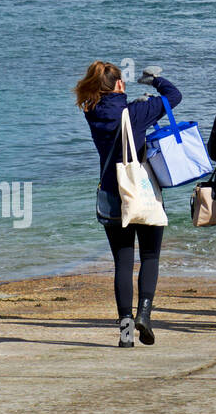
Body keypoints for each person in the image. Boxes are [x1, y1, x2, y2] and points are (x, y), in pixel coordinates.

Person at [77, 60, 181, 347]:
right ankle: (144, 315)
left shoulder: (91, 112)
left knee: (122, 263)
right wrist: (155, 80)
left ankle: (125, 334)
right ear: (119, 85)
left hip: (112, 194)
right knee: (150, 257)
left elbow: (107, 105)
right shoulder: (135, 112)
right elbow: (175, 97)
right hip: (142, 192)